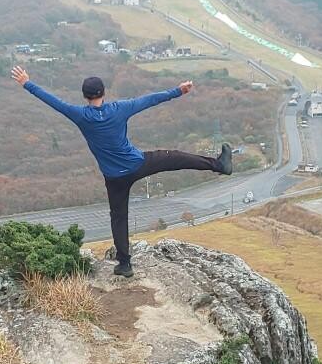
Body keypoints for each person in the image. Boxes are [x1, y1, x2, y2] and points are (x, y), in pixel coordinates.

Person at [12, 66, 229, 277]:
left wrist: (26, 83)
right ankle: (218, 165)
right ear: (104, 93)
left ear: (85, 96)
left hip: (114, 178)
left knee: (118, 217)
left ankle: (125, 264)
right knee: (176, 158)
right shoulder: (120, 109)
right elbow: (150, 99)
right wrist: (178, 91)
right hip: (137, 164)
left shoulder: (79, 115)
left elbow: (54, 102)